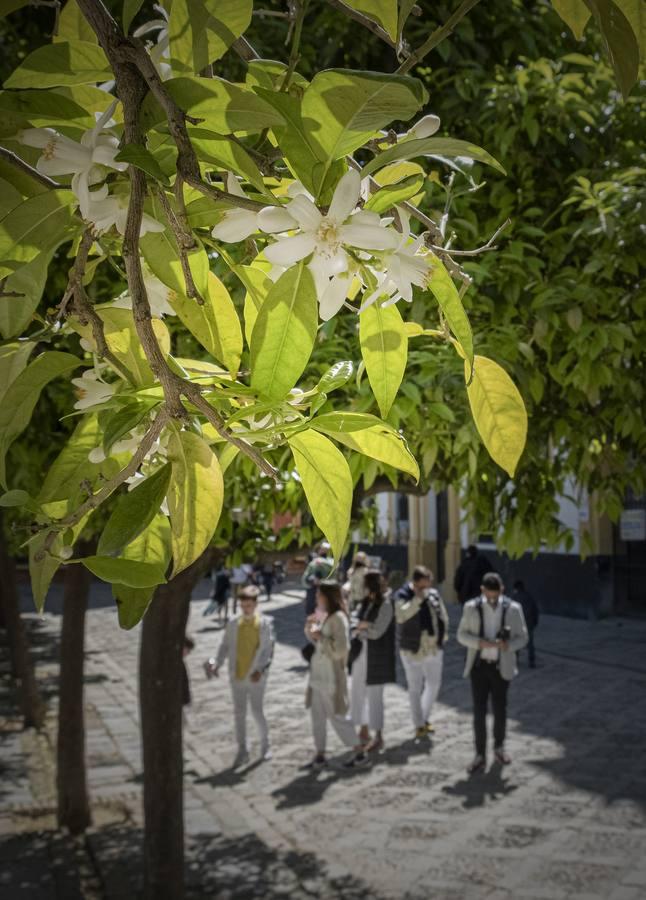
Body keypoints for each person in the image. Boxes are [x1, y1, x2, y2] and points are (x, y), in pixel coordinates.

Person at [457, 572, 528, 774]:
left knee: (500, 709)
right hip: (479, 666)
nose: (492, 599)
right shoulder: (471, 607)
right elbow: (461, 635)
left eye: (495, 595)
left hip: (501, 666)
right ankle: (479, 754)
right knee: (478, 711)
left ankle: (499, 747)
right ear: (482, 590)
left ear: (502, 590)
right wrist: (478, 643)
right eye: (489, 595)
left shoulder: (514, 609)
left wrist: (508, 645)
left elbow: (523, 638)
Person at [303, 580, 367, 769]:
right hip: (317, 674)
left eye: (319, 594)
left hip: (331, 675)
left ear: (327, 596)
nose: (316, 598)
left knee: (337, 716)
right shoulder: (322, 613)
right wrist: (310, 628)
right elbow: (313, 639)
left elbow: (341, 650)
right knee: (317, 717)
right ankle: (320, 754)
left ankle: (359, 751)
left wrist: (320, 637)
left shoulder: (339, 618)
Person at [210, 585, 275, 768]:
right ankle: (242, 747)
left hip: (255, 676)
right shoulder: (232, 623)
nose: (245, 608)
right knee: (239, 713)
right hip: (236, 674)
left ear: (255, 604)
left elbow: (267, 652)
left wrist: (260, 670)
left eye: (248, 605)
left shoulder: (264, 624)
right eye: (242, 605)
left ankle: (265, 744)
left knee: (257, 711)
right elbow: (224, 646)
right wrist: (217, 662)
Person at [395, 565, 449, 739]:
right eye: (423, 585)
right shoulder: (402, 595)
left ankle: (424, 717)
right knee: (414, 687)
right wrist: (417, 600)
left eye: (428, 585)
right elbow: (401, 616)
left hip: (433, 647)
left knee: (434, 684)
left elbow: (443, 616)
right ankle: (418, 724)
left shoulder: (433, 594)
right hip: (412, 648)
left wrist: (442, 637)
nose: (426, 588)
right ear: (415, 583)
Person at [349, 569, 396, 752]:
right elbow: (355, 621)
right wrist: (362, 627)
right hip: (361, 652)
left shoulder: (386, 604)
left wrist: (363, 628)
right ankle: (363, 729)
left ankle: (379, 735)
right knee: (358, 692)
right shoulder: (365, 602)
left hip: (377, 654)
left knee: (375, 695)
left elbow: (378, 631)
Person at [301, 542, 335, 617]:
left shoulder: (332, 563)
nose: (323, 551)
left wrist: (322, 581)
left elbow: (334, 578)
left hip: (326, 591)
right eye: (322, 549)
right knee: (311, 614)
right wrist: (311, 581)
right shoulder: (313, 562)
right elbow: (304, 578)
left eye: (326, 550)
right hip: (312, 591)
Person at [511, 580, 539, 668]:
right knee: (530, 643)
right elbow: (535, 610)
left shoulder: (514, 598)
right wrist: (535, 622)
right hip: (528, 623)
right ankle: (531, 661)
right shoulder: (529, 597)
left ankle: (515, 660)